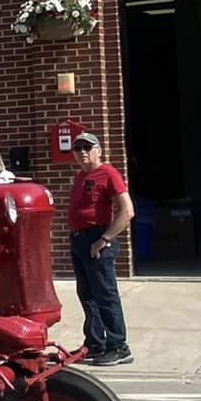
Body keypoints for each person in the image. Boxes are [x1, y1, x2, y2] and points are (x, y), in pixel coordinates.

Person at [67, 132, 134, 366]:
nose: (82, 152)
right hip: (79, 240)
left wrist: (104, 239)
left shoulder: (109, 173)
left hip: (97, 238)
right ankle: (95, 343)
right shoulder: (80, 176)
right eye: (77, 148)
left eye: (88, 147)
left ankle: (119, 346)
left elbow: (127, 211)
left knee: (105, 295)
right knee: (87, 295)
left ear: (99, 150)